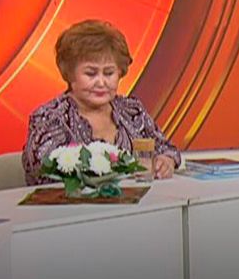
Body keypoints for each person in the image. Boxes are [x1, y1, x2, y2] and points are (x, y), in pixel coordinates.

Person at [22, 20, 181, 182]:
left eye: (109, 73)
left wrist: (166, 161)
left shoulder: (132, 110)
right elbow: (40, 176)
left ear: (120, 73)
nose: (101, 82)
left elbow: (167, 149)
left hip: (137, 198)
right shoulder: (50, 118)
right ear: (69, 74)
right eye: (91, 74)